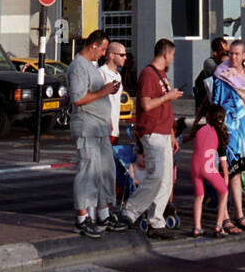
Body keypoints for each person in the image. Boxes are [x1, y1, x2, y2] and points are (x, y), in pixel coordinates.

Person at [117, 38, 183, 239]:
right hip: (152, 132)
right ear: (165, 54)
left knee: (165, 181)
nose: (172, 59)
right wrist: (168, 97)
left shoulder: (162, 76)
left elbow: (166, 108)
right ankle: (130, 211)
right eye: (171, 55)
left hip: (163, 132)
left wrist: (172, 134)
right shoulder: (148, 74)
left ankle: (156, 220)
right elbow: (145, 104)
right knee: (156, 176)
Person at [67, 29, 127, 238]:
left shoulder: (90, 67)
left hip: (100, 127)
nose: (103, 53)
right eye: (102, 49)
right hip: (87, 126)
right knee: (87, 172)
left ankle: (103, 213)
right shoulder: (78, 68)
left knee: (106, 170)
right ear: (93, 45)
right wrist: (104, 91)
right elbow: (78, 98)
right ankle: (82, 218)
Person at [211, 39, 245, 231]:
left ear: (244, 56)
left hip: (244, 128)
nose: (232, 56)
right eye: (230, 53)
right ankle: (224, 217)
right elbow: (216, 103)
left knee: (238, 172)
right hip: (227, 128)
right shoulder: (222, 74)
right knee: (225, 172)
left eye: (236, 53)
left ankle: (239, 214)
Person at [188, 103, 232, 238]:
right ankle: (219, 225)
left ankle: (197, 227)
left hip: (195, 167)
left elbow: (191, 137)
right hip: (209, 168)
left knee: (199, 196)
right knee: (224, 192)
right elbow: (223, 158)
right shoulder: (220, 132)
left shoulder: (200, 129)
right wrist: (225, 175)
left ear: (207, 117)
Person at [99, 40, 128, 141]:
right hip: (104, 129)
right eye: (122, 55)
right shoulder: (101, 73)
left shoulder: (118, 76)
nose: (125, 57)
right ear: (111, 55)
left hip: (115, 129)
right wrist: (106, 119)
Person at [193, 37, 229, 109]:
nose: (225, 53)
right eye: (222, 50)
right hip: (213, 98)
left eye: (227, 51)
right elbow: (219, 72)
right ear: (215, 53)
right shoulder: (209, 62)